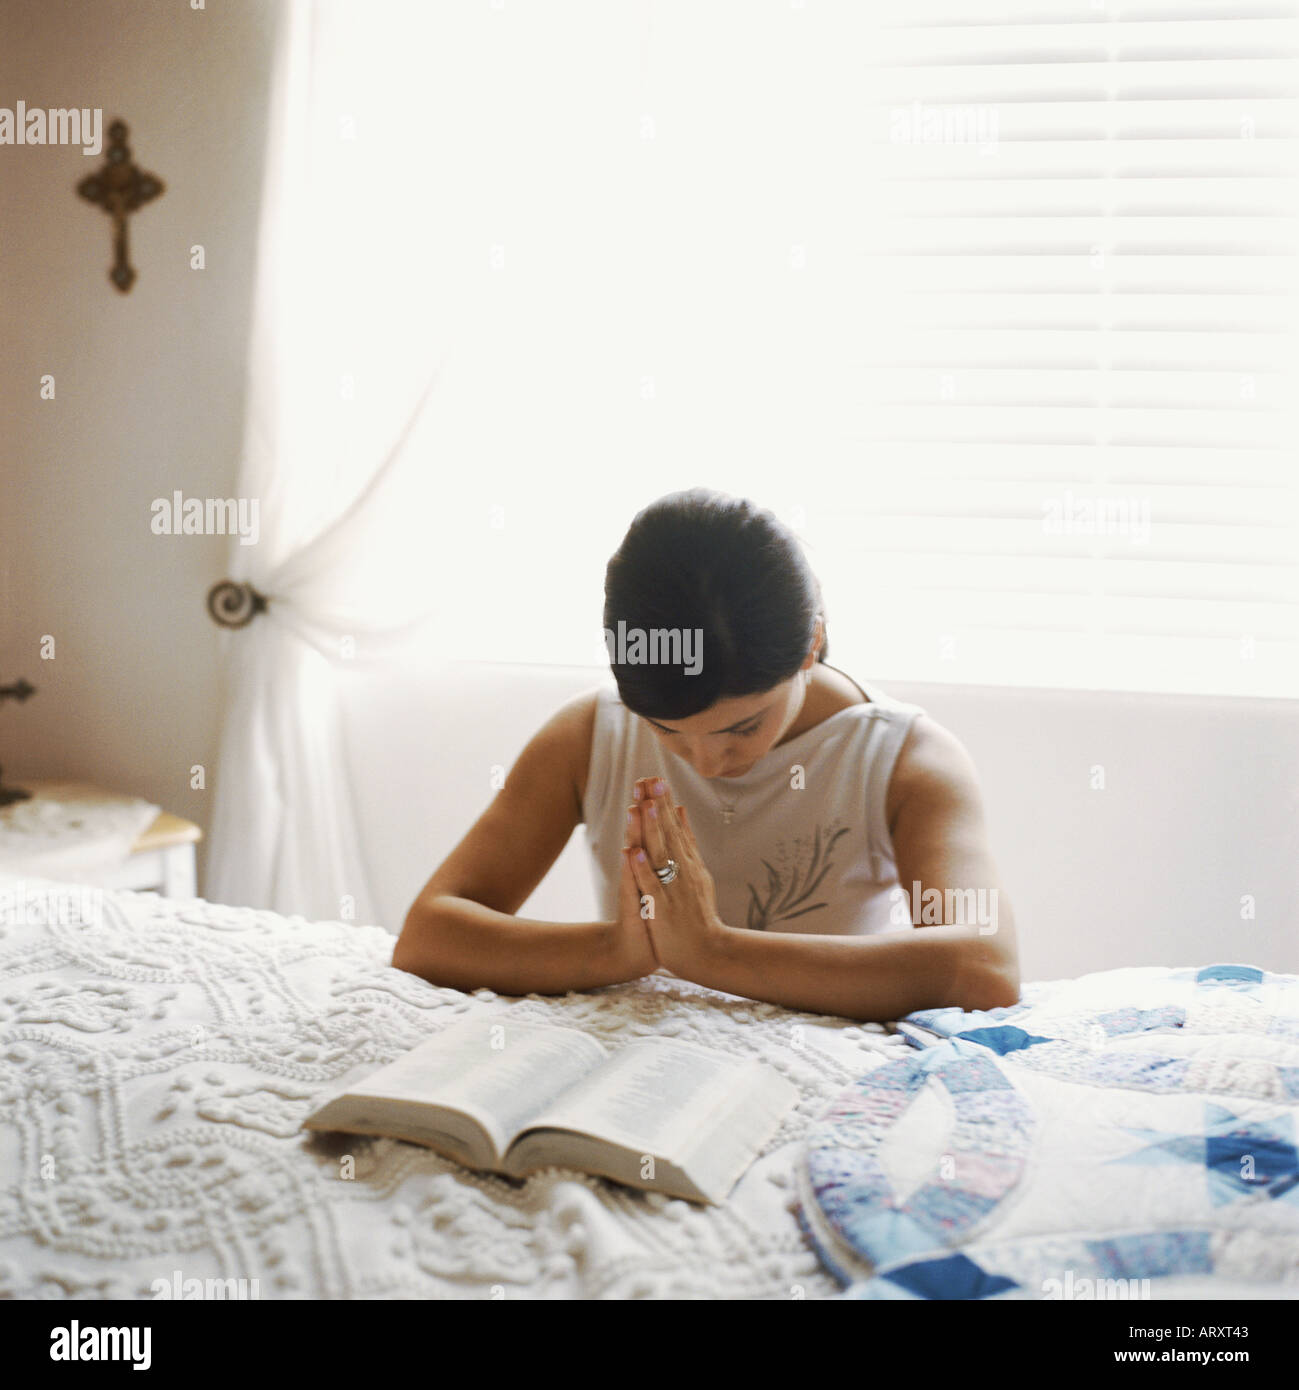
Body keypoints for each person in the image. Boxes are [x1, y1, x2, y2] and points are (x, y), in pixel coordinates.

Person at [394, 489, 1020, 1022]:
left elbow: (983, 964)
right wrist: (617, 952)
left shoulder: (906, 761)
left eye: (742, 727)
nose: (706, 763)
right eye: (667, 731)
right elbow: (430, 933)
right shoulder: (590, 736)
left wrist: (710, 952)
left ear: (813, 644)